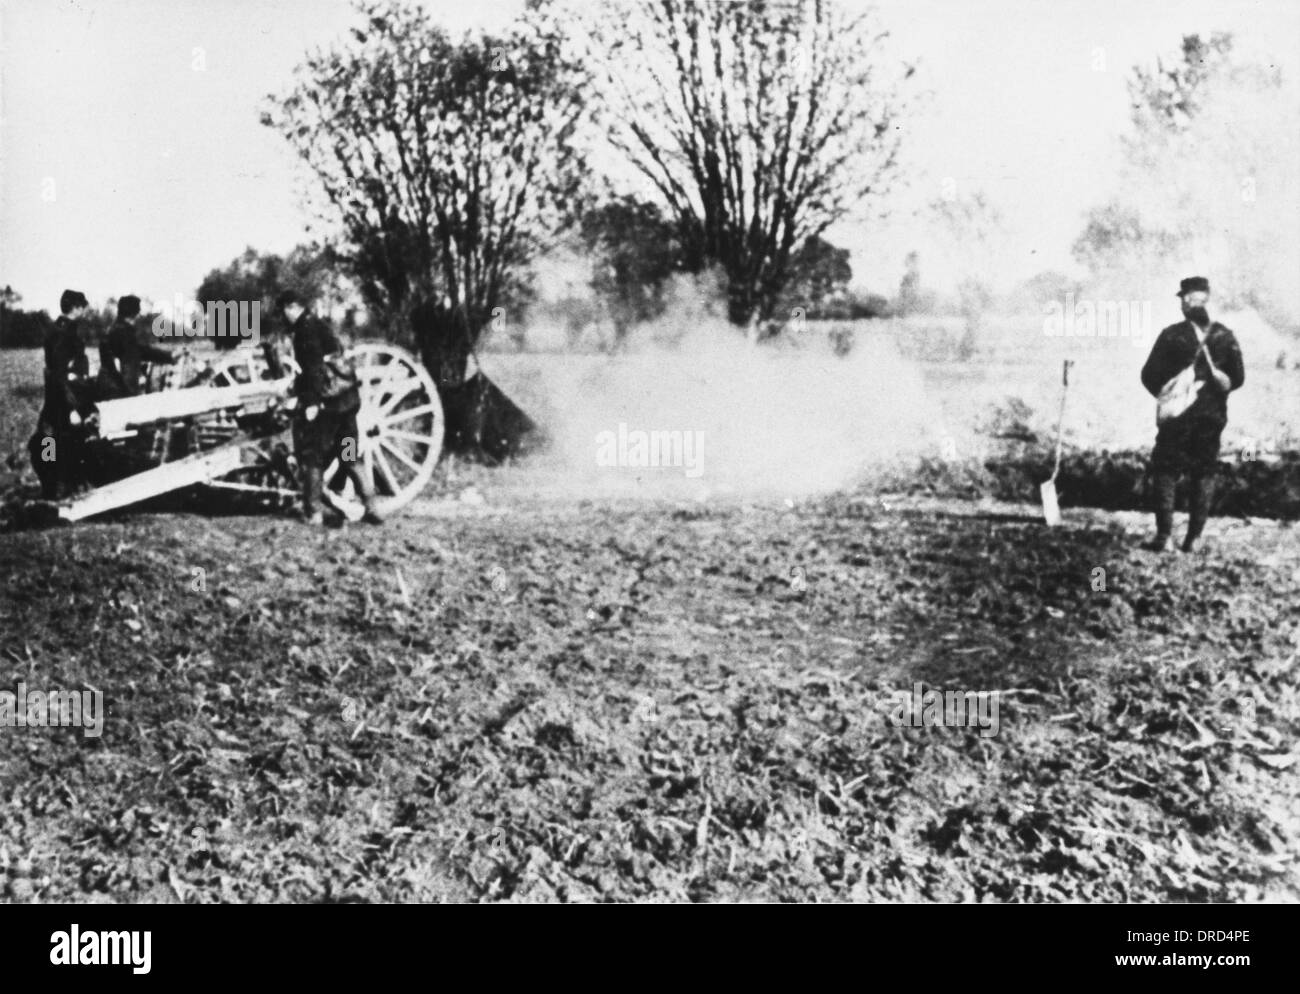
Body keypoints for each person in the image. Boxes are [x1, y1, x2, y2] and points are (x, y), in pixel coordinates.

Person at [1140, 277, 1245, 552]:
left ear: (1186, 302)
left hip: (1179, 417)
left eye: (1184, 299)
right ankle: (1194, 539)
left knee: (1165, 468)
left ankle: (1164, 538)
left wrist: (1172, 394)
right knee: (1204, 471)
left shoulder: (1171, 335)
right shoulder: (1225, 336)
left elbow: (1149, 375)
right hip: (1211, 417)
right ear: (1207, 300)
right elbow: (1238, 378)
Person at [275, 291, 382, 526]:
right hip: (348, 403)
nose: (284, 318)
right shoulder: (321, 325)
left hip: (328, 407)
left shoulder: (305, 330)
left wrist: (312, 402)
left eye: (284, 312)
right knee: (349, 455)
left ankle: (313, 513)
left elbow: (314, 369)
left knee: (313, 457)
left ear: (293, 307)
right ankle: (372, 507)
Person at [28, 289, 92, 499]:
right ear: (75, 308)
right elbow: (58, 373)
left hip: (63, 400)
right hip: (62, 402)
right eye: (83, 307)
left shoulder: (64, 331)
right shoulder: (63, 334)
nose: (84, 311)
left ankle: (60, 486)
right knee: (51, 441)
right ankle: (53, 488)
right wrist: (72, 407)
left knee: (59, 442)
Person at [96, 294, 176, 398]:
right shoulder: (125, 333)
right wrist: (170, 356)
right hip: (119, 389)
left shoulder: (110, 331)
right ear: (135, 313)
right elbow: (142, 352)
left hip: (105, 384)